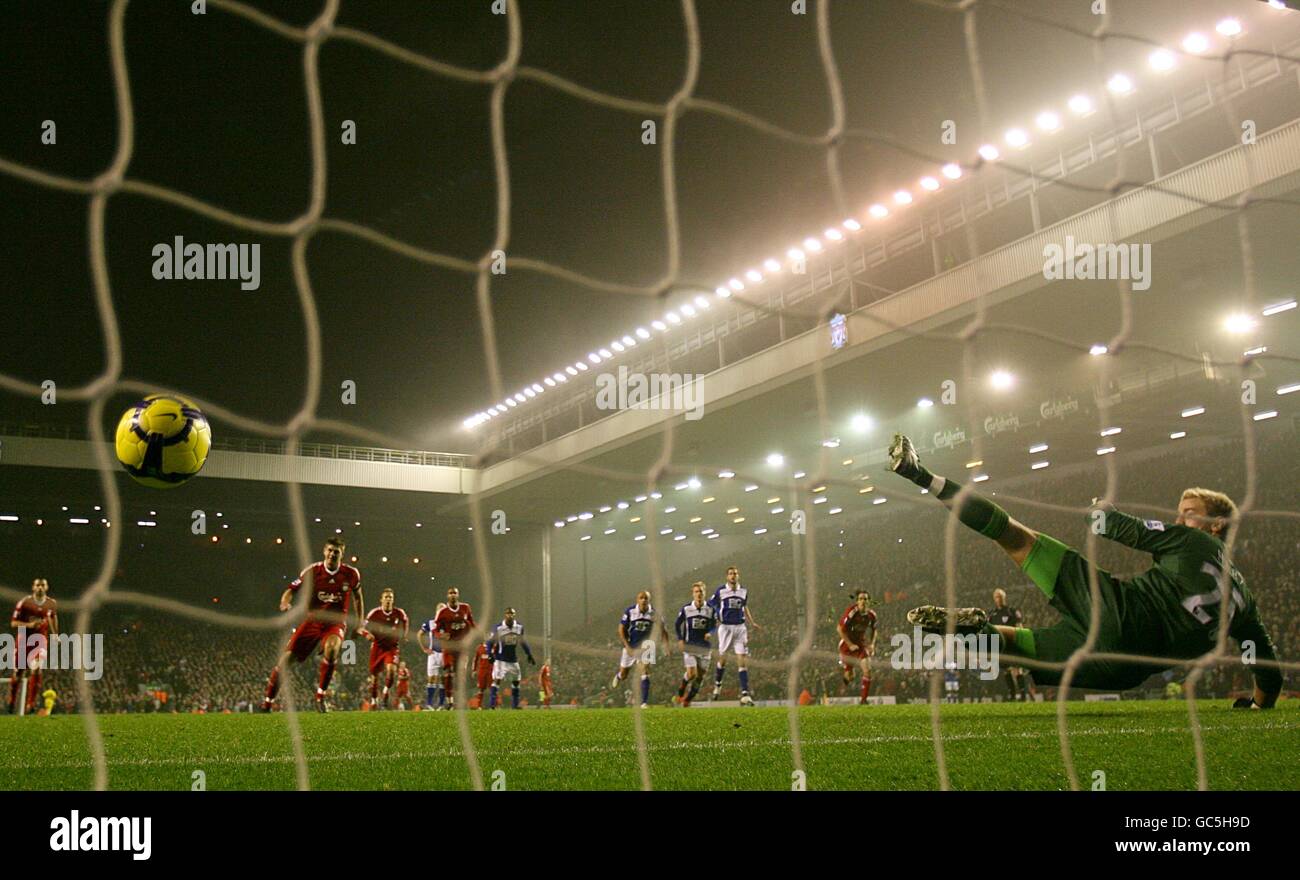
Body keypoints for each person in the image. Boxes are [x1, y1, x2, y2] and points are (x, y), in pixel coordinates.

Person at [888, 433, 1282, 705]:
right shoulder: (1245, 605)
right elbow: (1268, 673)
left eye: (1189, 515)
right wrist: (1257, 706)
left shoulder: (1194, 541)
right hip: (1122, 671)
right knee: (1013, 650)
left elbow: (1109, 525)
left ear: (1217, 526)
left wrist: (1099, 510)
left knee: (1015, 537)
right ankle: (976, 629)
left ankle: (918, 473)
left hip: (1118, 613)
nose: (1180, 522)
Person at [260, 537, 363, 712]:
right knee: (285, 661)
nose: (332, 554)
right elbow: (291, 590)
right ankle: (268, 702)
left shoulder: (351, 574)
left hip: (335, 623)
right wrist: (285, 603)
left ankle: (320, 696)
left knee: (332, 649)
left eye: (336, 552)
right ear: (324, 551)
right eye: (329, 550)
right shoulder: (313, 571)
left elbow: (358, 597)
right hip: (312, 621)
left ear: (342, 554)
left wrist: (360, 624)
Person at [610, 590, 672, 708]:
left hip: (647, 646)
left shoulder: (654, 613)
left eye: (646, 598)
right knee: (624, 675)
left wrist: (666, 646)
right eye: (641, 598)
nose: (643, 600)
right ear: (637, 600)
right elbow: (621, 629)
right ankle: (618, 676)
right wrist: (627, 646)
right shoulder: (630, 611)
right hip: (631, 646)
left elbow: (663, 630)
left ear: (649, 600)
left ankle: (643, 703)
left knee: (645, 670)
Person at [710, 565, 761, 705]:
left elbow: (745, 607)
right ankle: (718, 685)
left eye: (736, 574)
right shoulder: (720, 591)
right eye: (731, 574)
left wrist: (752, 623)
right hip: (725, 627)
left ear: (738, 576)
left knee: (742, 659)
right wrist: (714, 619)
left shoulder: (743, 591)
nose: (733, 576)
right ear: (727, 576)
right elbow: (711, 604)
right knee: (723, 659)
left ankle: (745, 694)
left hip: (740, 627)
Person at [9, 577, 57, 716]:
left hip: (40, 640)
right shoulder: (24, 603)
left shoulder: (51, 603)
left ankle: (30, 705)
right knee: (18, 673)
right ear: (33, 587)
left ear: (46, 587)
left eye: (43, 585)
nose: (40, 587)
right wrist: (29, 625)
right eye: (38, 585)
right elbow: (13, 623)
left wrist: (55, 634)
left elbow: (53, 617)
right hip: (23, 640)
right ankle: (12, 701)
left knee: (36, 668)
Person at [359, 588, 408, 709]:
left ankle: (385, 693)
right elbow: (361, 628)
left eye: (390, 597)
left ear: (393, 600)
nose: (388, 599)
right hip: (377, 647)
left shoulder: (399, 613)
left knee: (391, 672)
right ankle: (374, 700)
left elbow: (405, 621)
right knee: (374, 678)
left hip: (392, 648)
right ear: (381, 599)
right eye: (386, 597)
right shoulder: (374, 613)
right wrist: (367, 634)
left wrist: (404, 635)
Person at [674, 582, 717, 707]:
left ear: (705, 593)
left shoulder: (710, 609)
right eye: (697, 591)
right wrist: (680, 639)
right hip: (690, 646)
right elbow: (677, 624)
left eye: (701, 591)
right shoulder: (686, 609)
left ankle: (688, 700)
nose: (699, 594)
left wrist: (710, 632)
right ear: (693, 594)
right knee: (692, 674)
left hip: (704, 648)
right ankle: (683, 685)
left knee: (700, 677)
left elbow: (714, 626)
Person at [433, 588, 476, 710]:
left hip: (462, 646)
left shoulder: (465, 608)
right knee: (448, 672)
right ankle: (450, 701)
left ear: (458, 595)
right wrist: (440, 635)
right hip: (449, 647)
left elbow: (471, 623)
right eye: (451, 593)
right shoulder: (442, 612)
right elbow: (436, 629)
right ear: (447, 596)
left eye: (455, 593)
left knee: (461, 674)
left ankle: (462, 701)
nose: (453, 595)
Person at [485, 608, 536, 709]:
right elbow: (490, 642)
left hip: (513, 659)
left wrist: (529, 654)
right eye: (508, 613)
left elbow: (523, 642)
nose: (510, 615)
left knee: (516, 681)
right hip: (500, 659)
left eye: (512, 614)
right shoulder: (498, 627)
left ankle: (515, 705)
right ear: (505, 615)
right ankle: (492, 705)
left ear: (514, 615)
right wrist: (489, 654)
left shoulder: (519, 627)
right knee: (497, 680)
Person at [988, 589, 1030, 701]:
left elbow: (1020, 627)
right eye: (996, 597)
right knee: (1006, 670)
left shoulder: (1011, 611)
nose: (998, 599)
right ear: (994, 599)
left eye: (1000, 596)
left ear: (1004, 598)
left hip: (1012, 643)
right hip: (1001, 646)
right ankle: (1012, 694)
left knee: (1017, 669)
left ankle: (1022, 695)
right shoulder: (992, 614)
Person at [837, 590, 877, 704]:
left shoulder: (871, 616)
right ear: (857, 601)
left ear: (869, 602)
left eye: (865, 599)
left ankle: (863, 700)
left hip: (860, 645)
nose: (863, 601)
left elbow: (874, 630)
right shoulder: (852, 612)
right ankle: (845, 680)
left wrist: (872, 644)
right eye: (860, 599)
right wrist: (850, 644)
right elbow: (839, 629)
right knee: (850, 676)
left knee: (867, 670)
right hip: (846, 646)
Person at [418, 603, 447, 709]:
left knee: (444, 680)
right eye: (440, 609)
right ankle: (429, 704)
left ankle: (441, 704)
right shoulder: (430, 623)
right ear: (436, 611)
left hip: (445, 654)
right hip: (433, 654)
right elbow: (419, 634)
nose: (442, 611)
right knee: (431, 679)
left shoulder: (449, 624)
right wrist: (424, 648)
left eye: (444, 610)